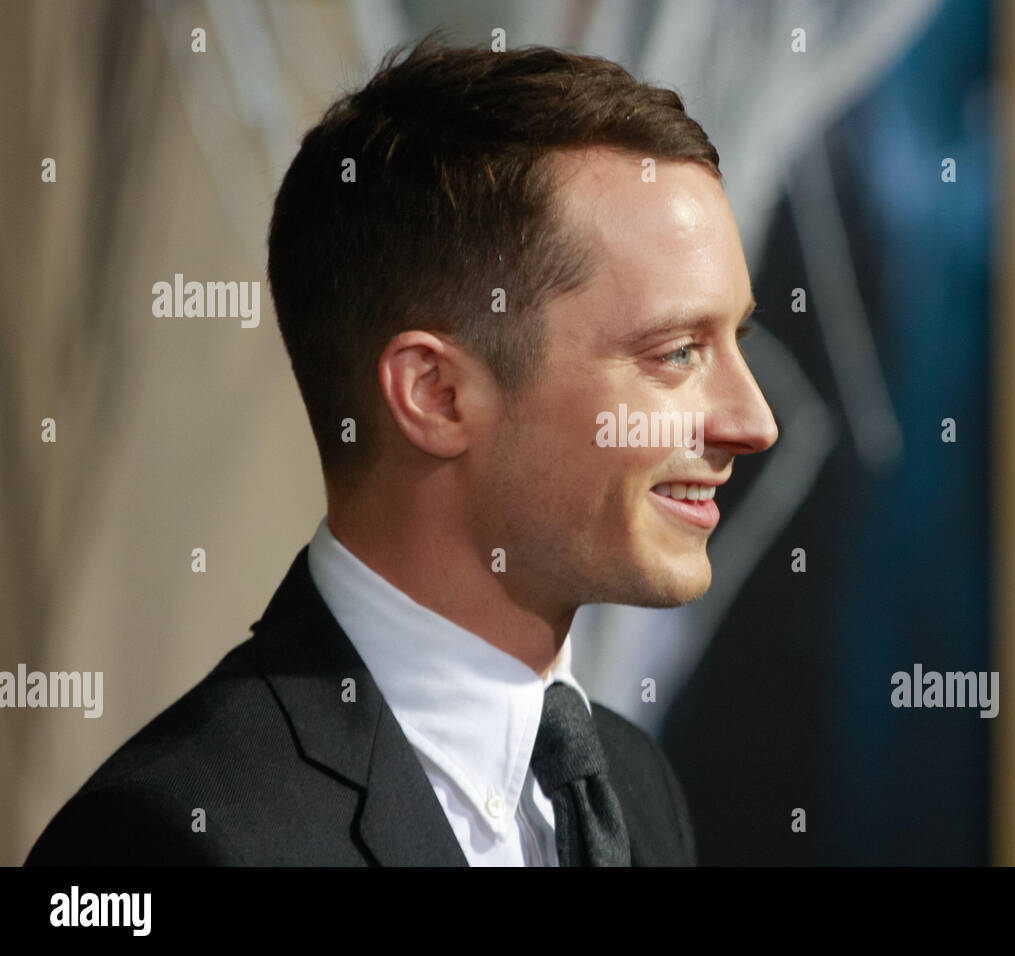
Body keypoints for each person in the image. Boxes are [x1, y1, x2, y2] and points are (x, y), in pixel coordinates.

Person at [25, 32, 778, 866]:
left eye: (736, 338)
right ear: (436, 395)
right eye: (677, 352)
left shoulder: (633, 787)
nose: (753, 421)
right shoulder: (169, 837)